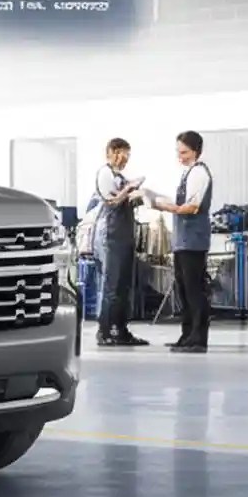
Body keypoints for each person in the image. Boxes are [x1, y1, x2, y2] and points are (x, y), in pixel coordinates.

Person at [155, 131, 214, 354]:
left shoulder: (199, 173)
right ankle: (187, 335)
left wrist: (162, 206)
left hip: (194, 240)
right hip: (183, 240)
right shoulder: (187, 173)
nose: (180, 157)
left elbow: (191, 207)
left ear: (196, 151)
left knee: (194, 289)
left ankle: (198, 339)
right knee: (183, 289)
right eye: (178, 152)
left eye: (185, 152)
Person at [93, 138, 148, 347]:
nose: (124, 160)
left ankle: (121, 330)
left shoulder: (120, 177)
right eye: (121, 155)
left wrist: (137, 195)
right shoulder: (105, 173)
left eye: (127, 156)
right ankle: (106, 331)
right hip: (111, 235)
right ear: (111, 153)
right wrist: (129, 188)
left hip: (124, 235)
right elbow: (112, 201)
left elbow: (124, 200)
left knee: (124, 286)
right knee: (112, 285)